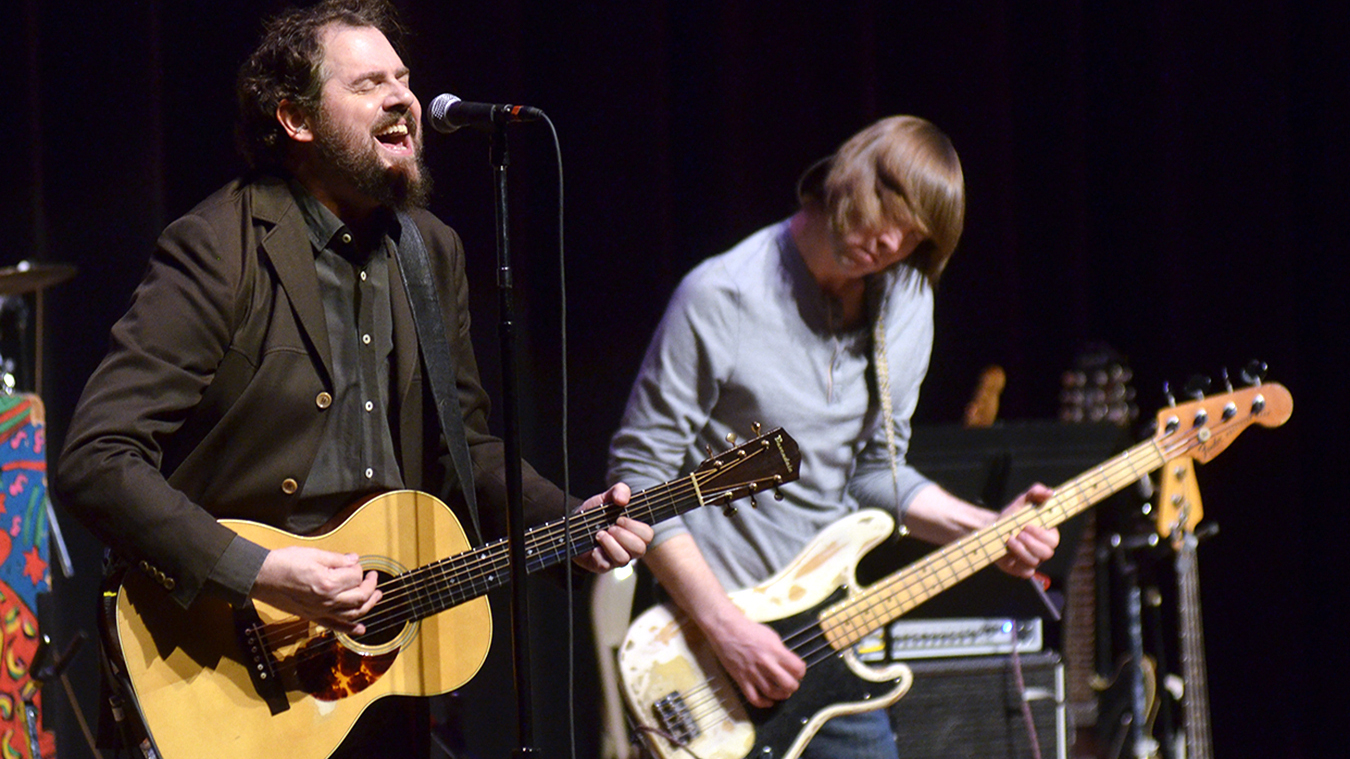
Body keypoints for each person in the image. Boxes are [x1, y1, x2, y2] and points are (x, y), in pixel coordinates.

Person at [54, 1, 651, 756]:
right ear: (295, 120)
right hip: (229, 661)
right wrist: (262, 571)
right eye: (369, 84)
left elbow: (462, 448)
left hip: (369, 677)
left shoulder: (429, 251)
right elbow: (97, 459)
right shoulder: (219, 248)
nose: (403, 99)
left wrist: (568, 522)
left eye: (404, 79)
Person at [607, 116, 1059, 758]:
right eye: (890, 212)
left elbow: (875, 472)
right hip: (711, 652)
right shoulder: (721, 295)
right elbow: (639, 477)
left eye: (914, 235)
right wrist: (726, 627)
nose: (892, 242)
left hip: (826, 644)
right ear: (850, 174)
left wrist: (988, 531)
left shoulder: (907, 301)